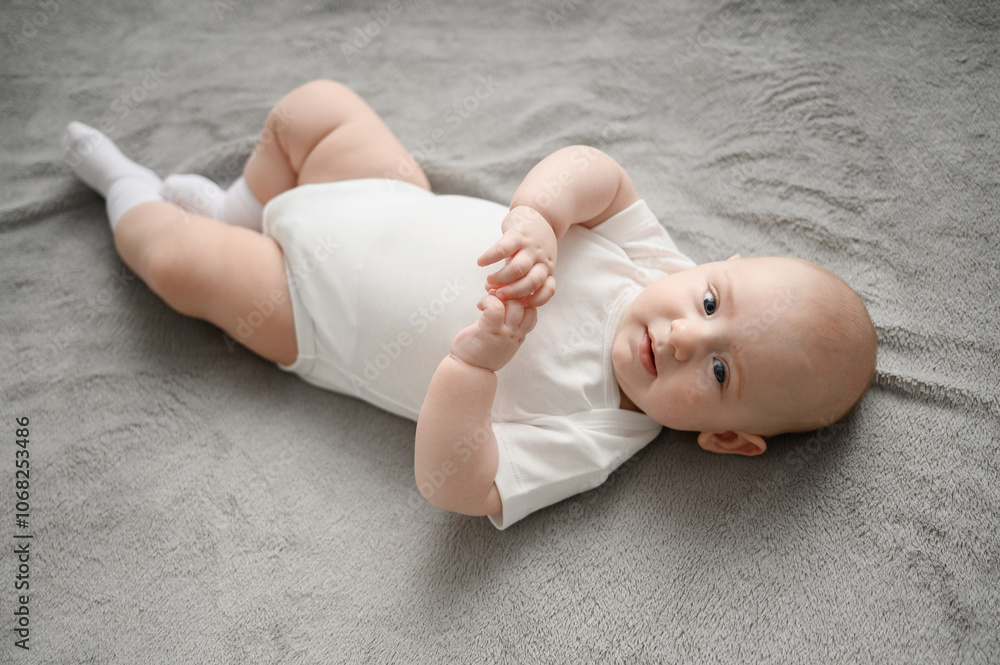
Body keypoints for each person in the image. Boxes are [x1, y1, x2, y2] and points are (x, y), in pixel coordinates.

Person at [62, 79, 878, 529]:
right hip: (382, 195)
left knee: (171, 262)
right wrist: (541, 216)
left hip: (305, 308)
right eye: (709, 301)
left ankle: (127, 187)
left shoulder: (598, 437)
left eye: (722, 371)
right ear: (716, 265)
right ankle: (237, 207)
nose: (686, 336)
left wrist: (473, 365)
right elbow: (592, 168)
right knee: (315, 108)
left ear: (727, 438)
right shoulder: (652, 257)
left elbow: (456, 484)